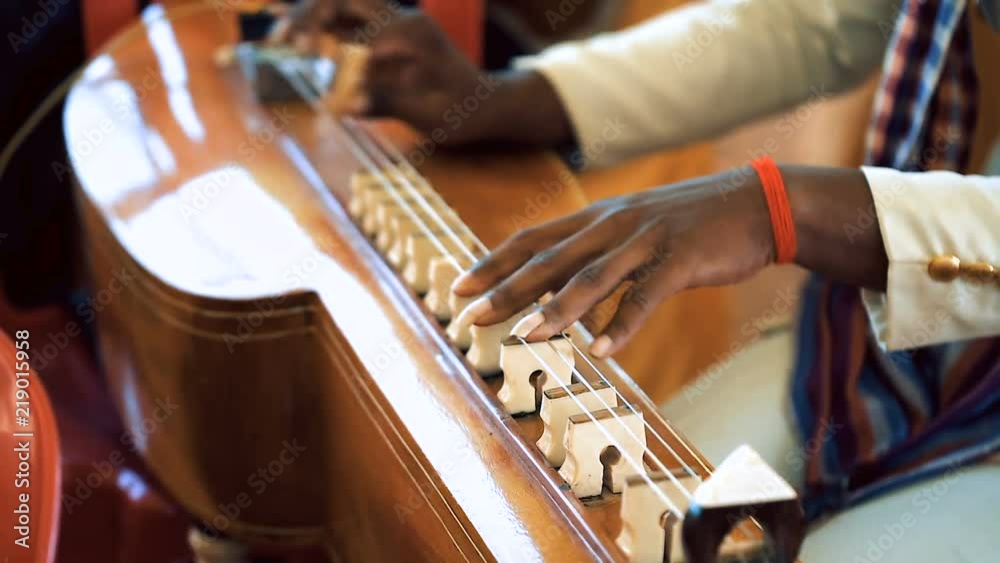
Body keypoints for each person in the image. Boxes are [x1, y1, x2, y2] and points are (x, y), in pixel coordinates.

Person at [275, 0, 1000, 560]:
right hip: (887, 340)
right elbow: (816, 21)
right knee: (574, 507)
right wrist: (511, 98)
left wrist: (785, 208)